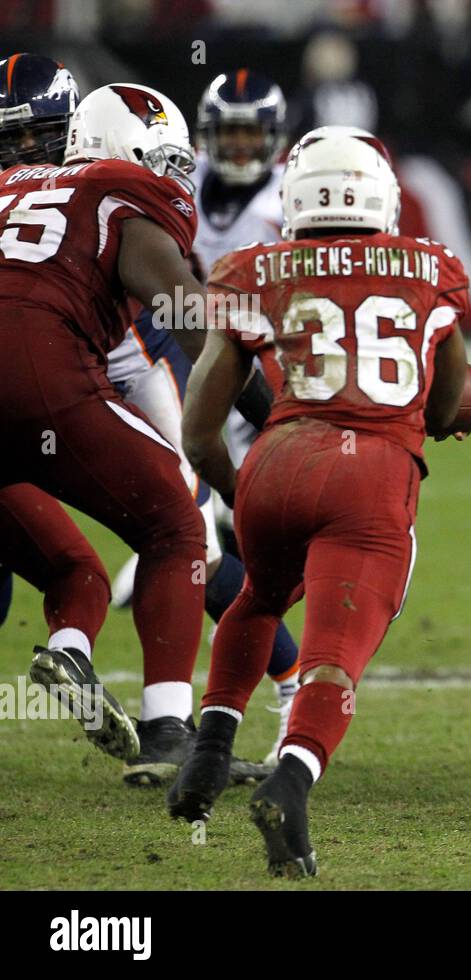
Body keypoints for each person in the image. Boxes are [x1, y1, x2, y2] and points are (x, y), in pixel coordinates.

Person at [169, 126, 469, 877]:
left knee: (261, 595)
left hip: (278, 456)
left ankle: (208, 750)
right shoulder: (429, 268)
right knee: (335, 658)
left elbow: (200, 430)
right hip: (372, 472)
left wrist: (249, 493)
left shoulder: (253, 269)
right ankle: (291, 784)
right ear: (384, 198)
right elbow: (444, 407)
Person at [1, 80, 208, 768]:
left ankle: (69, 654)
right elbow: (193, 320)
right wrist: (268, 411)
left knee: (74, 570)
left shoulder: (11, 187)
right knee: (176, 526)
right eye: (166, 158)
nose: (176, 175)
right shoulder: (116, 189)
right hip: (34, 376)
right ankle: (170, 733)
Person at [105, 69, 300, 776]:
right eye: (230, 130)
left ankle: (287, 683)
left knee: (259, 555)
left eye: (254, 129)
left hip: (269, 382)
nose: (242, 143)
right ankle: (286, 684)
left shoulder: (292, 197)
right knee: (206, 546)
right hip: (197, 379)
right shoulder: (172, 189)